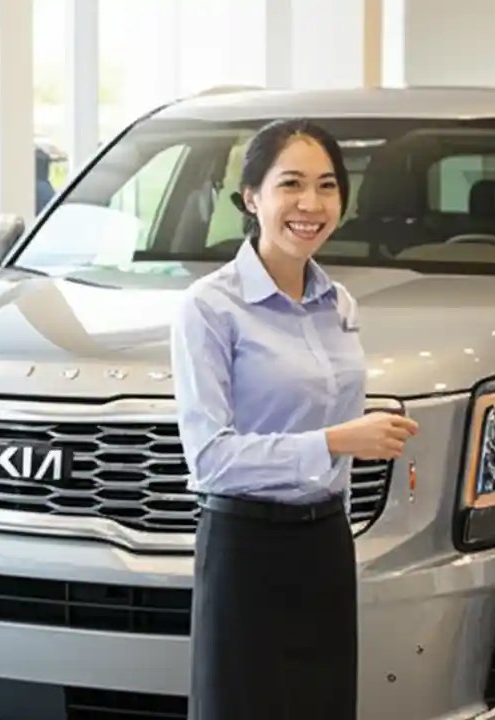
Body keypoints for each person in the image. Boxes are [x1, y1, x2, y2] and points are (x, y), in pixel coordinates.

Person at [170, 118, 419, 720]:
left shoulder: (339, 304)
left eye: (328, 186)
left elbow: (312, 409)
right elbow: (209, 460)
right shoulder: (210, 307)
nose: (311, 204)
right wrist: (337, 439)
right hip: (245, 549)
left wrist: (361, 427)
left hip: (327, 540)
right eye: (292, 185)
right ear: (252, 197)